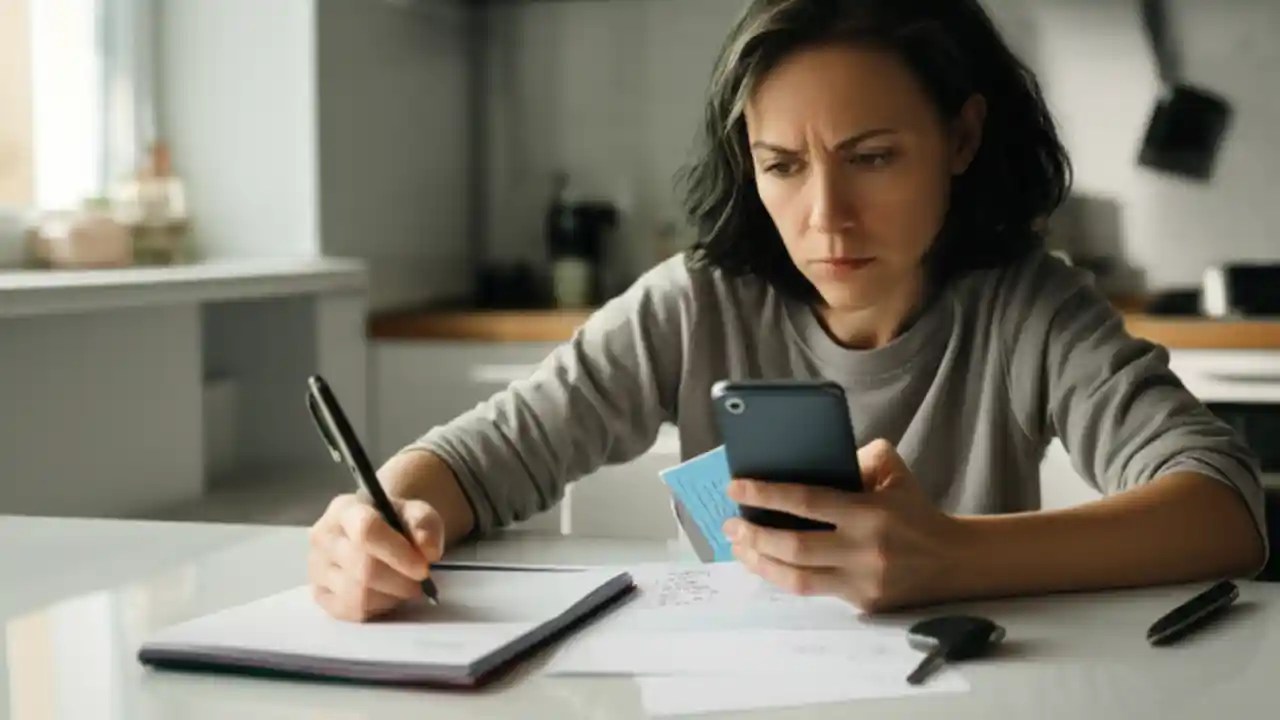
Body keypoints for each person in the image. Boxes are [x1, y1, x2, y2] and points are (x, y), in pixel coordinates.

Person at [308, 0, 1267, 622]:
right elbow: (477, 462)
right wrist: (376, 523)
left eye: (874, 156)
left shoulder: (1029, 307)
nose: (825, 218)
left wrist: (956, 557)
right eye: (781, 165)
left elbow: (1225, 508)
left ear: (963, 137)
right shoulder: (694, 302)